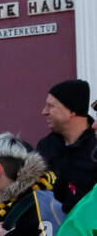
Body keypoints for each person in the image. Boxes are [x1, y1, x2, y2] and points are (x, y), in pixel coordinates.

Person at [36, 79, 97, 213]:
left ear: (72, 111)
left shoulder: (94, 147)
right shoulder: (45, 146)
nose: (44, 112)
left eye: (51, 106)